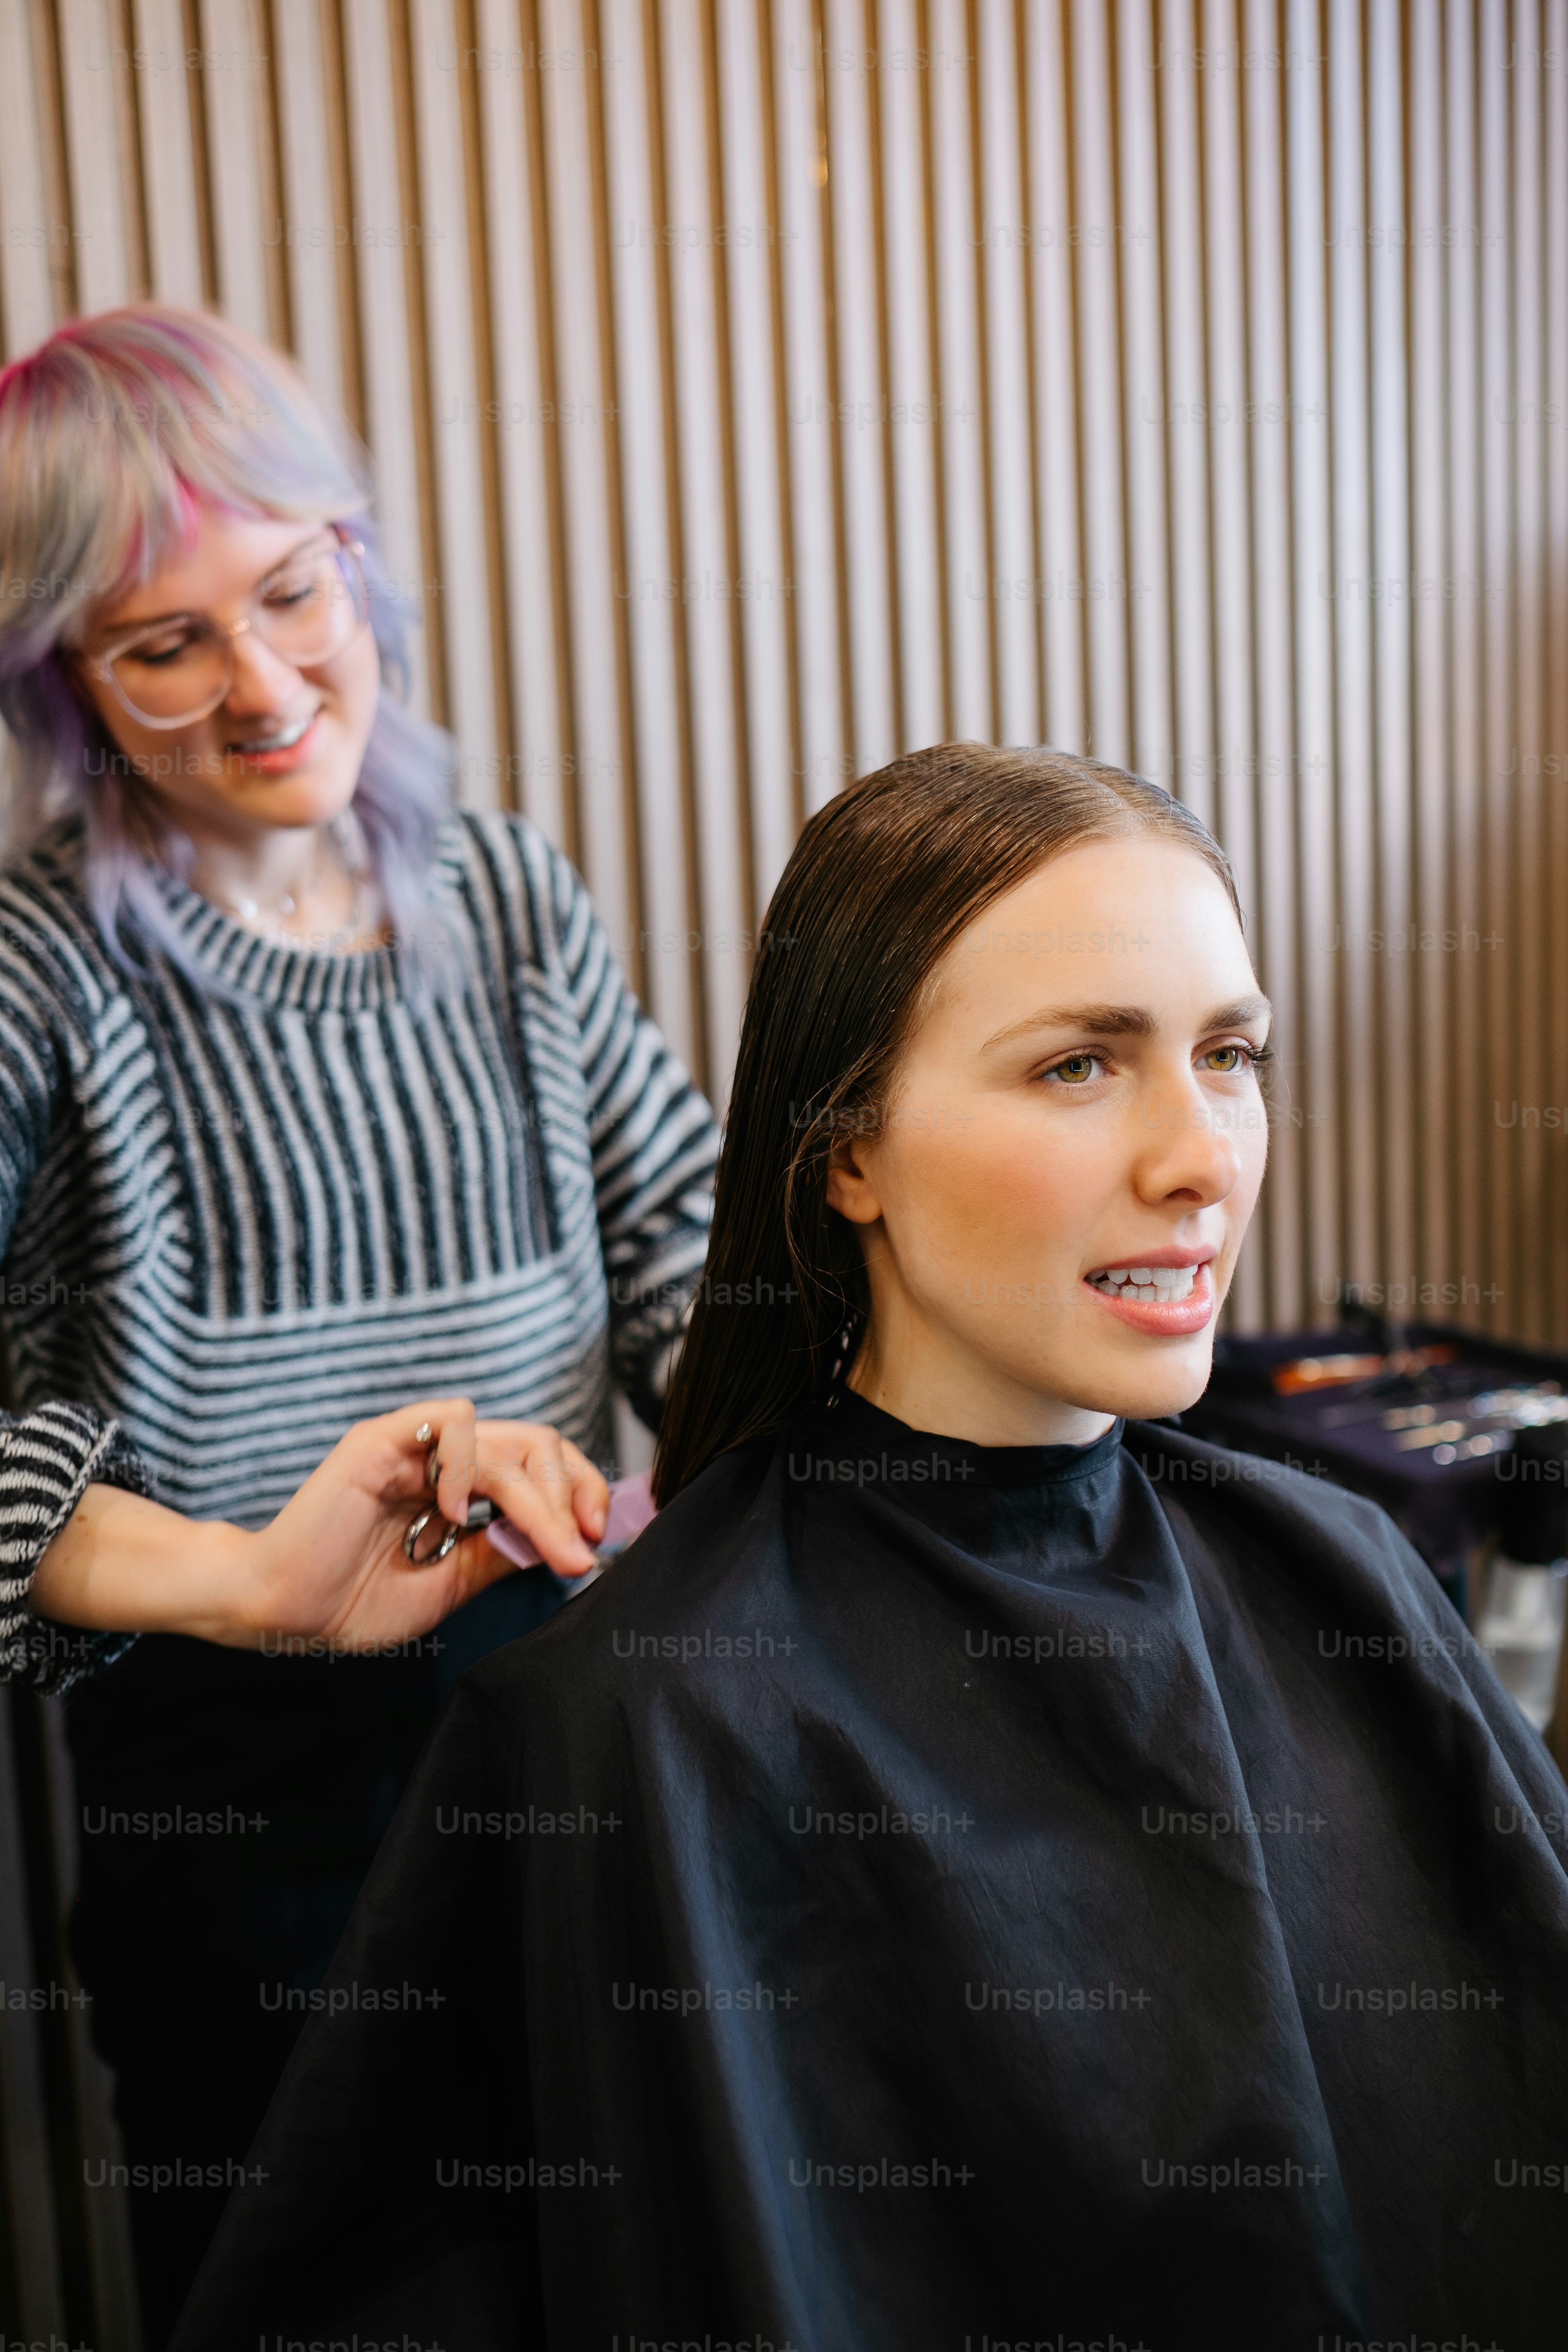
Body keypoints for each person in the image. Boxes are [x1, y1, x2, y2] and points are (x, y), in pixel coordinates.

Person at [175, 744, 1567, 2349]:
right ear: (848, 1154)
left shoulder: (1349, 1583)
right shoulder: (636, 1720)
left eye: (1229, 1052)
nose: (1201, 1158)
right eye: (1078, 1066)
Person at [0, 303, 719, 2346]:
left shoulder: (507, 898)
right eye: (165, 644)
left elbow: (682, 1245)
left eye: (294, 594)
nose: (262, 687)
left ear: (359, 562)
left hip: (568, 1731)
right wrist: (249, 1578)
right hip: (236, 1814)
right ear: (66, 676)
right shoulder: (40, 981)